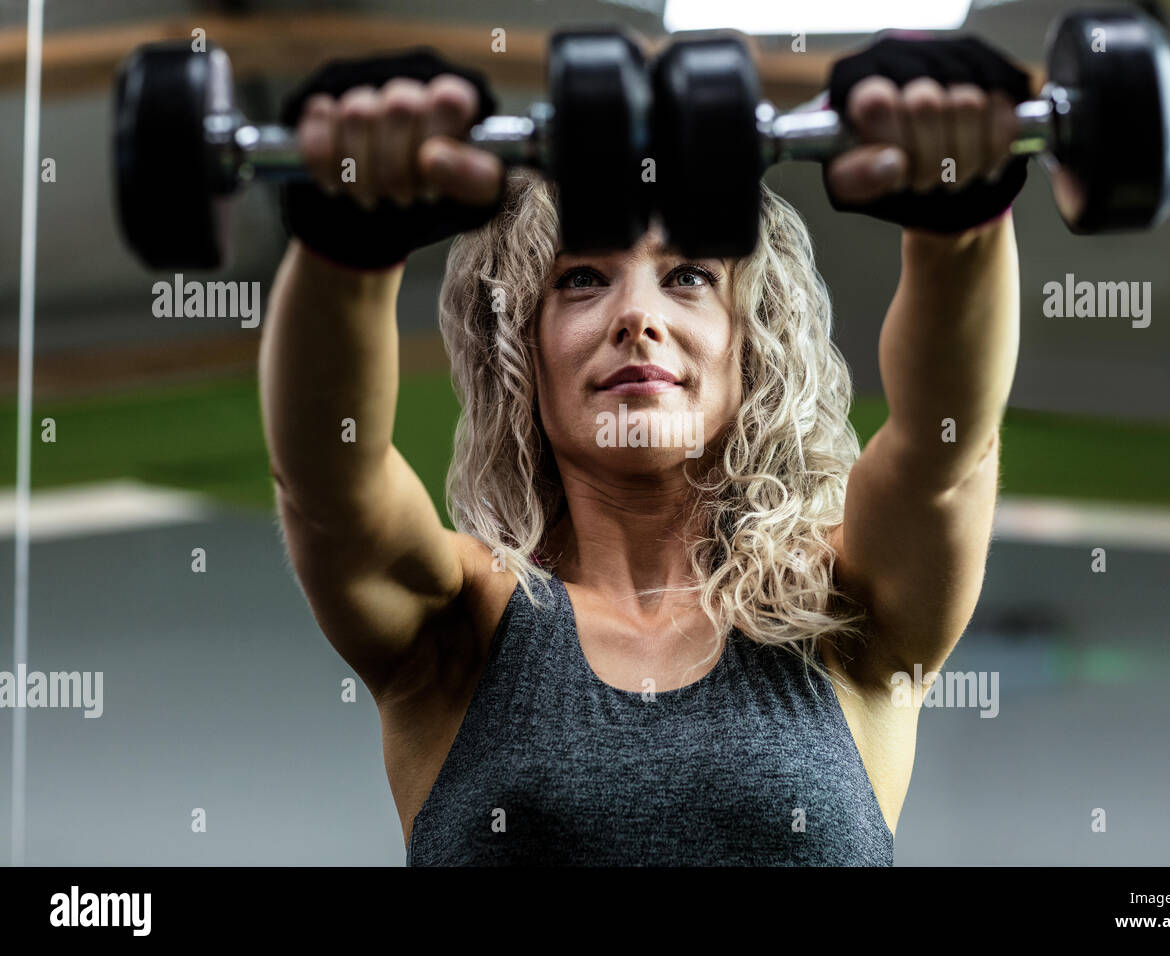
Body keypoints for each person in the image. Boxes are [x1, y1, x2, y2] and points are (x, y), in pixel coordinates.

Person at [260, 34, 1023, 865]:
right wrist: (347, 247)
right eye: (582, 278)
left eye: (689, 274)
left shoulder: (850, 610)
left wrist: (961, 221)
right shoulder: (456, 630)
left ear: (751, 345)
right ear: (522, 352)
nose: (638, 316)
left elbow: (945, 457)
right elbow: (328, 485)